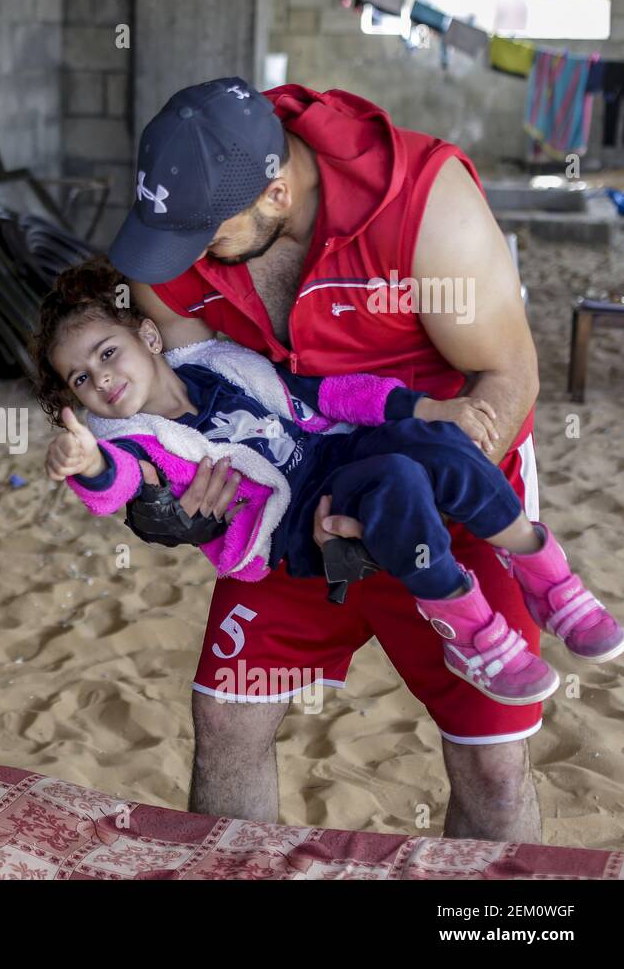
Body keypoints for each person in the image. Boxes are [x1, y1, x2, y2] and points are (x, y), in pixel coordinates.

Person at [103, 75, 576, 842]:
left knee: (490, 762)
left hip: (451, 490)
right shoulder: (175, 242)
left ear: (278, 195)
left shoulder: (427, 207)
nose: (177, 262)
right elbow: (189, 404)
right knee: (226, 716)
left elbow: (506, 379)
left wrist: (394, 509)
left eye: (204, 236)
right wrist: (165, 486)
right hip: (293, 498)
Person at [33, 256, 622, 708]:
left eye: (108, 353)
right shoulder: (138, 438)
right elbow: (123, 481)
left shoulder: (218, 363)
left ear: (150, 337)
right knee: (395, 480)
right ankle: (467, 627)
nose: (102, 379)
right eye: (81, 378)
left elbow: (332, 395)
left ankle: (545, 574)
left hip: (333, 450)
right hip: (291, 521)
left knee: (436, 442)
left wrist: (427, 409)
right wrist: (88, 464)